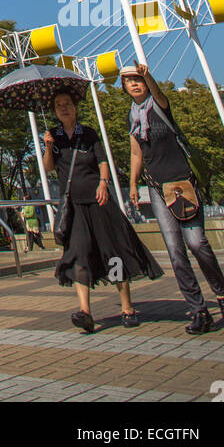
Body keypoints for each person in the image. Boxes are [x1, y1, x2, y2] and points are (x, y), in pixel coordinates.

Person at [122, 62, 224, 334]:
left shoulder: (159, 106)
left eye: (137, 79)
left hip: (182, 183)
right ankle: (199, 310)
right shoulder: (132, 117)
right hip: (155, 187)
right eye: (129, 81)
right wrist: (132, 183)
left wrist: (147, 74)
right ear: (125, 88)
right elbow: (136, 153)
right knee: (176, 253)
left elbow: (159, 94)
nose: (135, 84)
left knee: (197, 243)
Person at [44, 89, 163, 332]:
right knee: (78, 254)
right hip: (74, 206)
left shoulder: (87, 133)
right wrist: (47, 147)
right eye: (58, 105)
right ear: (54, 111)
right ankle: (85, 312)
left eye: (67, 103)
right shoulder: (53, 136)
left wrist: (103, 183)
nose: (63, 108)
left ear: (75, 107)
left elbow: (101, 160)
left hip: (99, 201)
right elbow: (48, 168)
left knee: (114, 252)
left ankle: (127, 308)